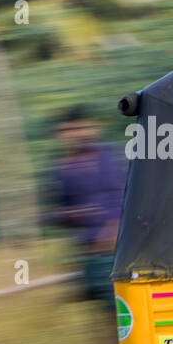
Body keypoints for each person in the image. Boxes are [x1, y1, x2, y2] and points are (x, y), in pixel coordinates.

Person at [48, 106, 127, 308]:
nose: (75, 135)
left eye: (81, 128)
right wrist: (68, 215)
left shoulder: (109, 156)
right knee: (103, 314)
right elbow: (58, 209)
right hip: (88, 254)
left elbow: (125, 196)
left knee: (123, 314)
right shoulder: (61, 167)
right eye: (68, 130)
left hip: (117, 251)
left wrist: (113, 229)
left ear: (94, 128)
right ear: (60, 134)